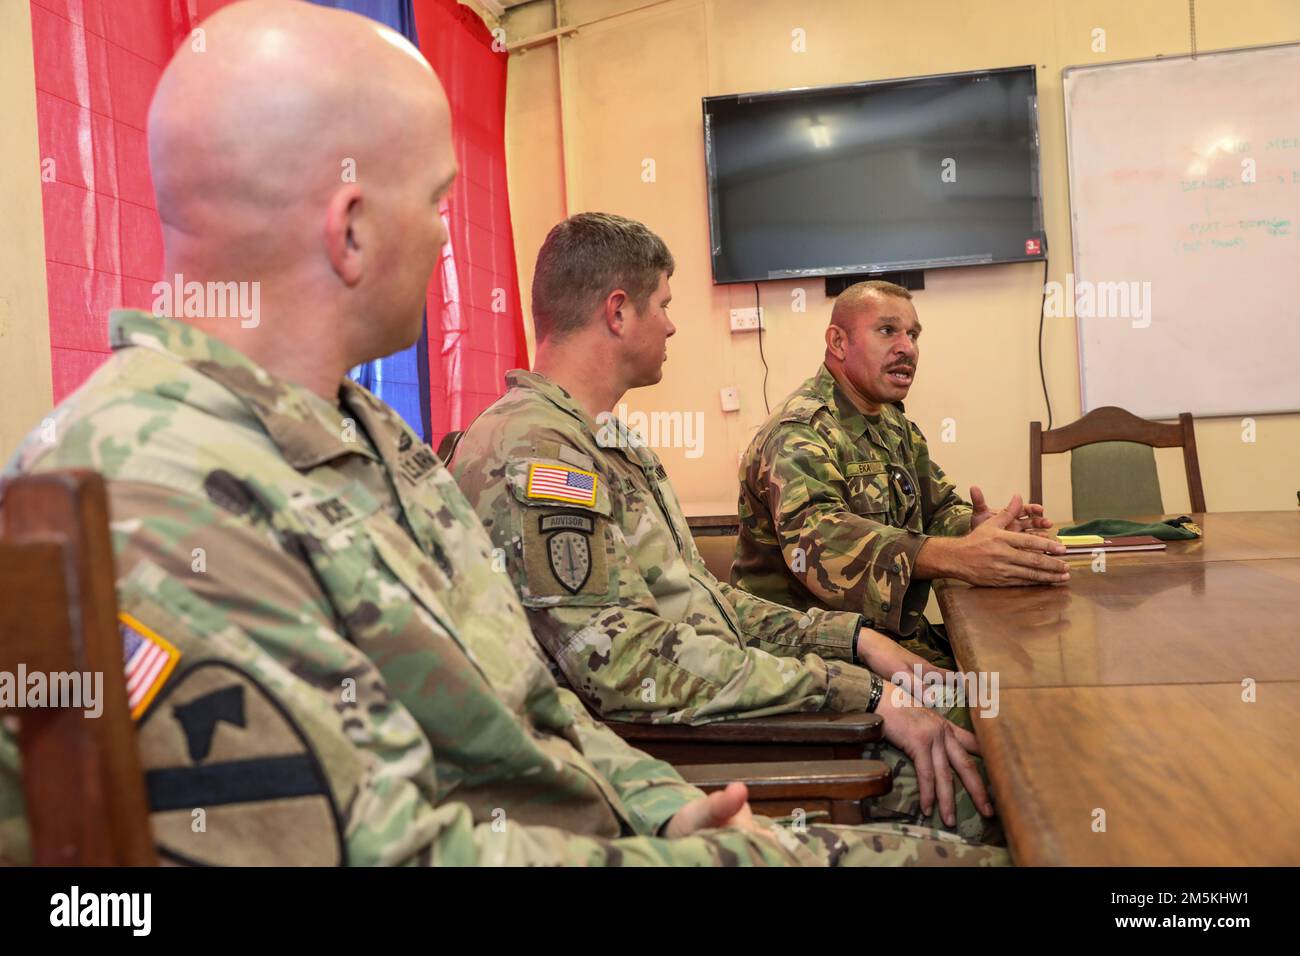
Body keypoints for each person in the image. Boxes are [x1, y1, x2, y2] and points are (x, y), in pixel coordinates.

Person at [0, 1, 1002, 867]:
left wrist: (659, 806)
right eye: (437, 201)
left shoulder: (370, 437)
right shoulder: (146, 490)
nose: (449, 234)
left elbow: (532, 706)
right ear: (349, 229)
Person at [453, 214, 1002, 845]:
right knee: (1003, 784)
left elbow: (705, 605)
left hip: (735, 706)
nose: (672, 323)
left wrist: (854, 643)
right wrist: (860, 693)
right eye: (662, 304)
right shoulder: (537, 452)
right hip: (695, 754)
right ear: (617, 312)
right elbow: (625, 668)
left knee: (991, 716)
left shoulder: (605, 441)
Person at [733, 280, 1068, 667]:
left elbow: (937, 509)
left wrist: (978, 528)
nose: (906, 348)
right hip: (817, 657)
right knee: (1003, 709)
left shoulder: (893, 424)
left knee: (1029, 664)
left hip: (894, 642)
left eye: (913, 334)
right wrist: (956, 556)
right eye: (887, 331)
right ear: (838, 342)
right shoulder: (799, 432)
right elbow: (819, 545)